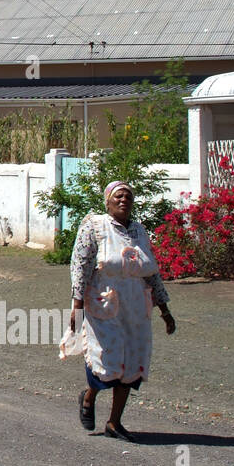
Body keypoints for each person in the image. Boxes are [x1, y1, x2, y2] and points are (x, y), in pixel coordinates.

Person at [69, 180, 175, 442]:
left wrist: (164, 309)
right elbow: (80, 265)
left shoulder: (139, 231)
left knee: (131, 361)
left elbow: (151, 271)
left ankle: (114, 422)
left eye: (128, 196)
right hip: (103, 301)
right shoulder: (95, 226)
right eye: (118, 195)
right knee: (107, 357)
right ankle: (90, 394)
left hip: (136, 305)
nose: (124, 199)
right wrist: (77, 304)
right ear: (108, 201)